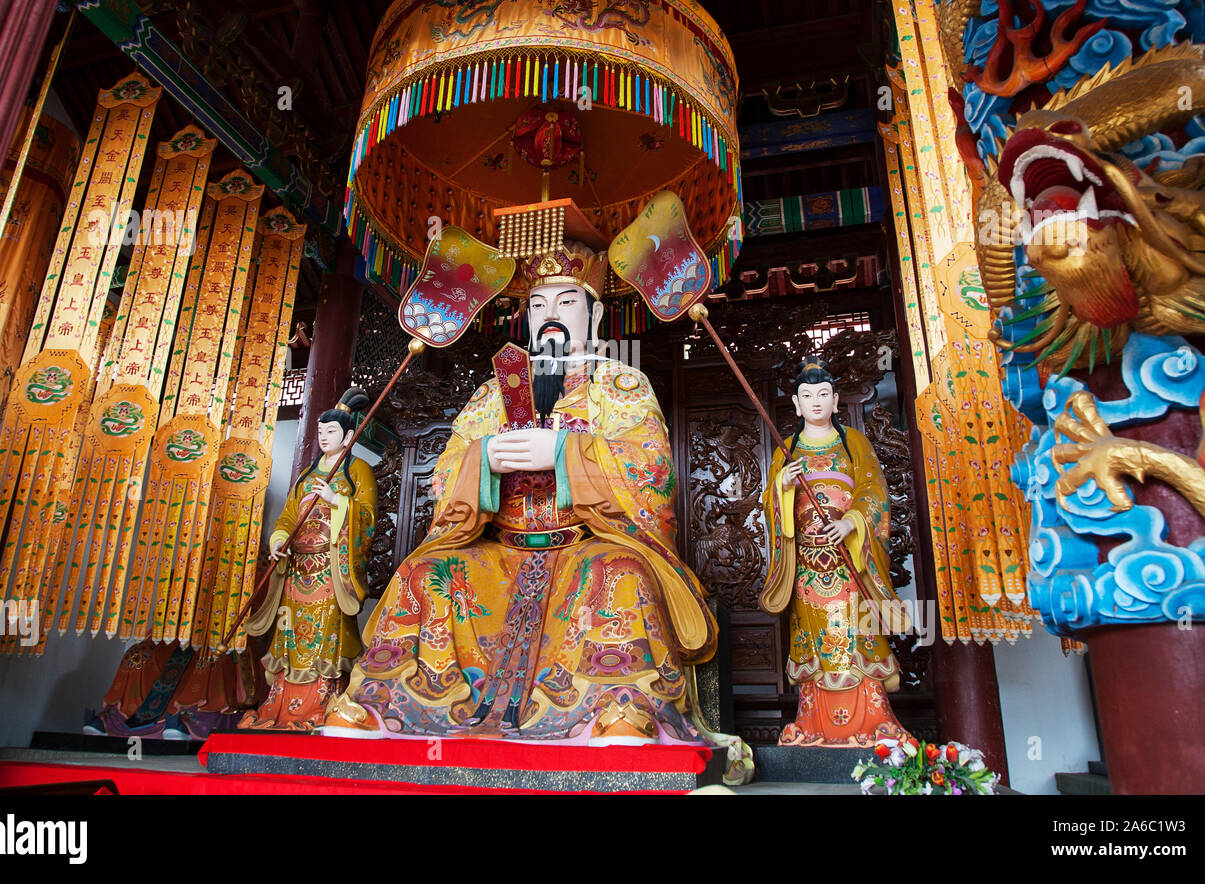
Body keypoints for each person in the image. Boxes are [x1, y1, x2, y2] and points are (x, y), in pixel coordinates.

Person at [323, 242, 717, 743]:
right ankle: (383, 703)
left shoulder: (621, 383)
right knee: (424, 574)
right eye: (537, 306)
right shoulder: (494, 391)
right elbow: (446, 473)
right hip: (499, 553)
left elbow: (653, 471)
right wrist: (480, 460)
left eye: (566, 303)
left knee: (620, 574)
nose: (549, 315)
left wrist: (566, 453)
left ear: (594, 314)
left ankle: (619, 706)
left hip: (585, 545)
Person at [760, 359, 910, 747]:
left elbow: (875, 492)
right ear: (795, 403)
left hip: (849, 562)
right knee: (815, 642)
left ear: (836, 400)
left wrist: (852, 522)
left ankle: (873, 720)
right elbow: (768, 507)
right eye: (807, 396)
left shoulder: (854, 443)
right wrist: (782, 485)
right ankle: (813, 724)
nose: (815, 402)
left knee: (857, 636)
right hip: (808, 569)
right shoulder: (787, 449)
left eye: (823, 394)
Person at [237, 388, 376, 731]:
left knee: (324, 639)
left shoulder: (358, 471)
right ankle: (279, 706)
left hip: (331, 572)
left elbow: (369, 518)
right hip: (298, 570)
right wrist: (280, 539)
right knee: (290, 637)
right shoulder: (305, 476)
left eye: (331, 432)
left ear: (347, 435)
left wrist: (338, 501)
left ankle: (322, 706)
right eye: (320, 432)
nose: (324, 438)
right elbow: (287, 517)